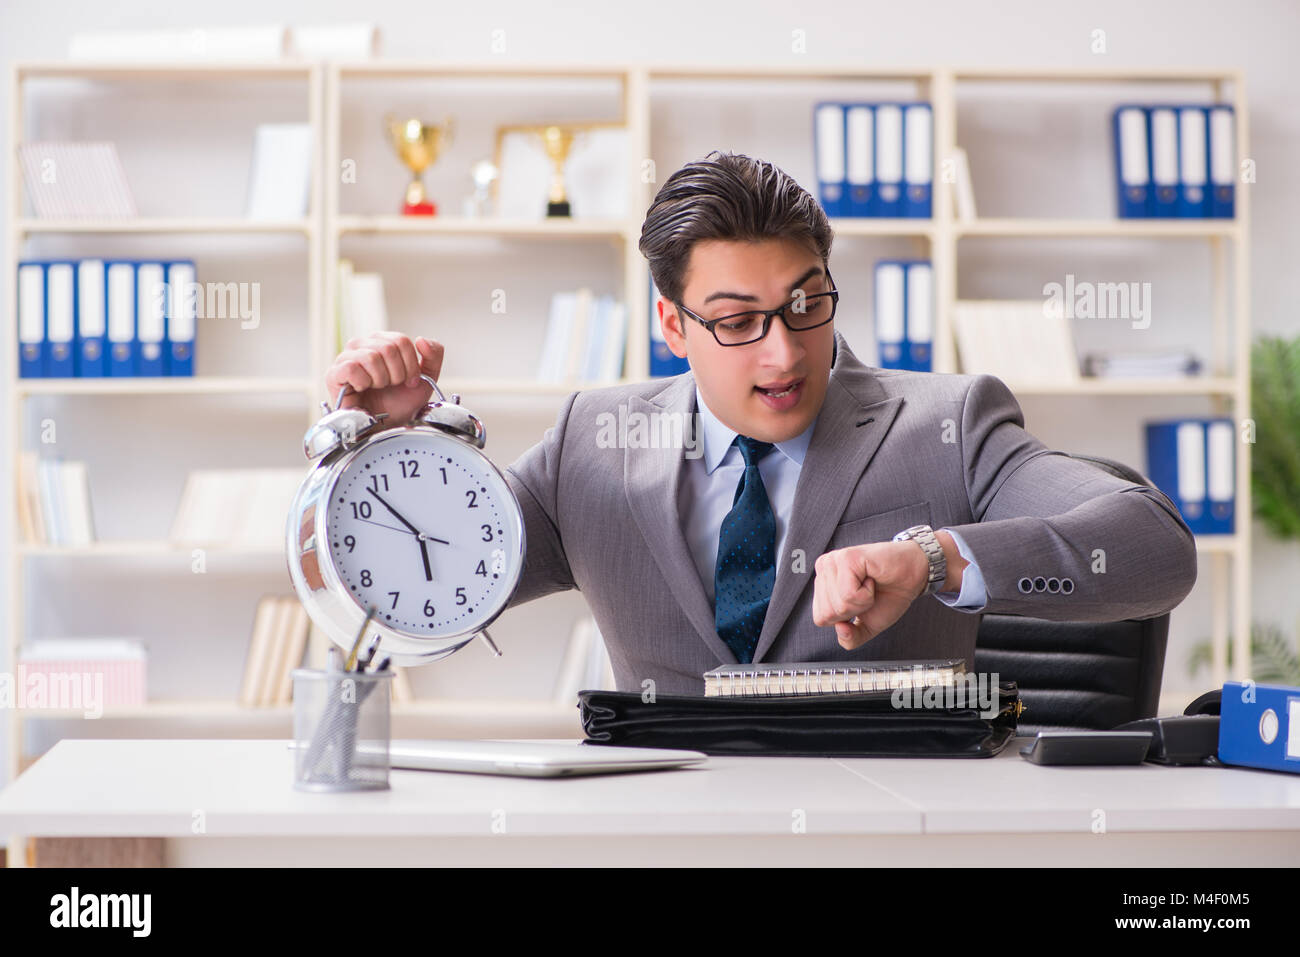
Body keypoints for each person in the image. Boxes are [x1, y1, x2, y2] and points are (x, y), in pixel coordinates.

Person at [324, 151, 1197, 696]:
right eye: (737, 320)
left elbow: (1154, 547)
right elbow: (407, 611)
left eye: (806, 303)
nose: (783, 354)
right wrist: (388, 453)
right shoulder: (590, 446)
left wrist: (934, 556)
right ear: (672, 326)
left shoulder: (948, 422)